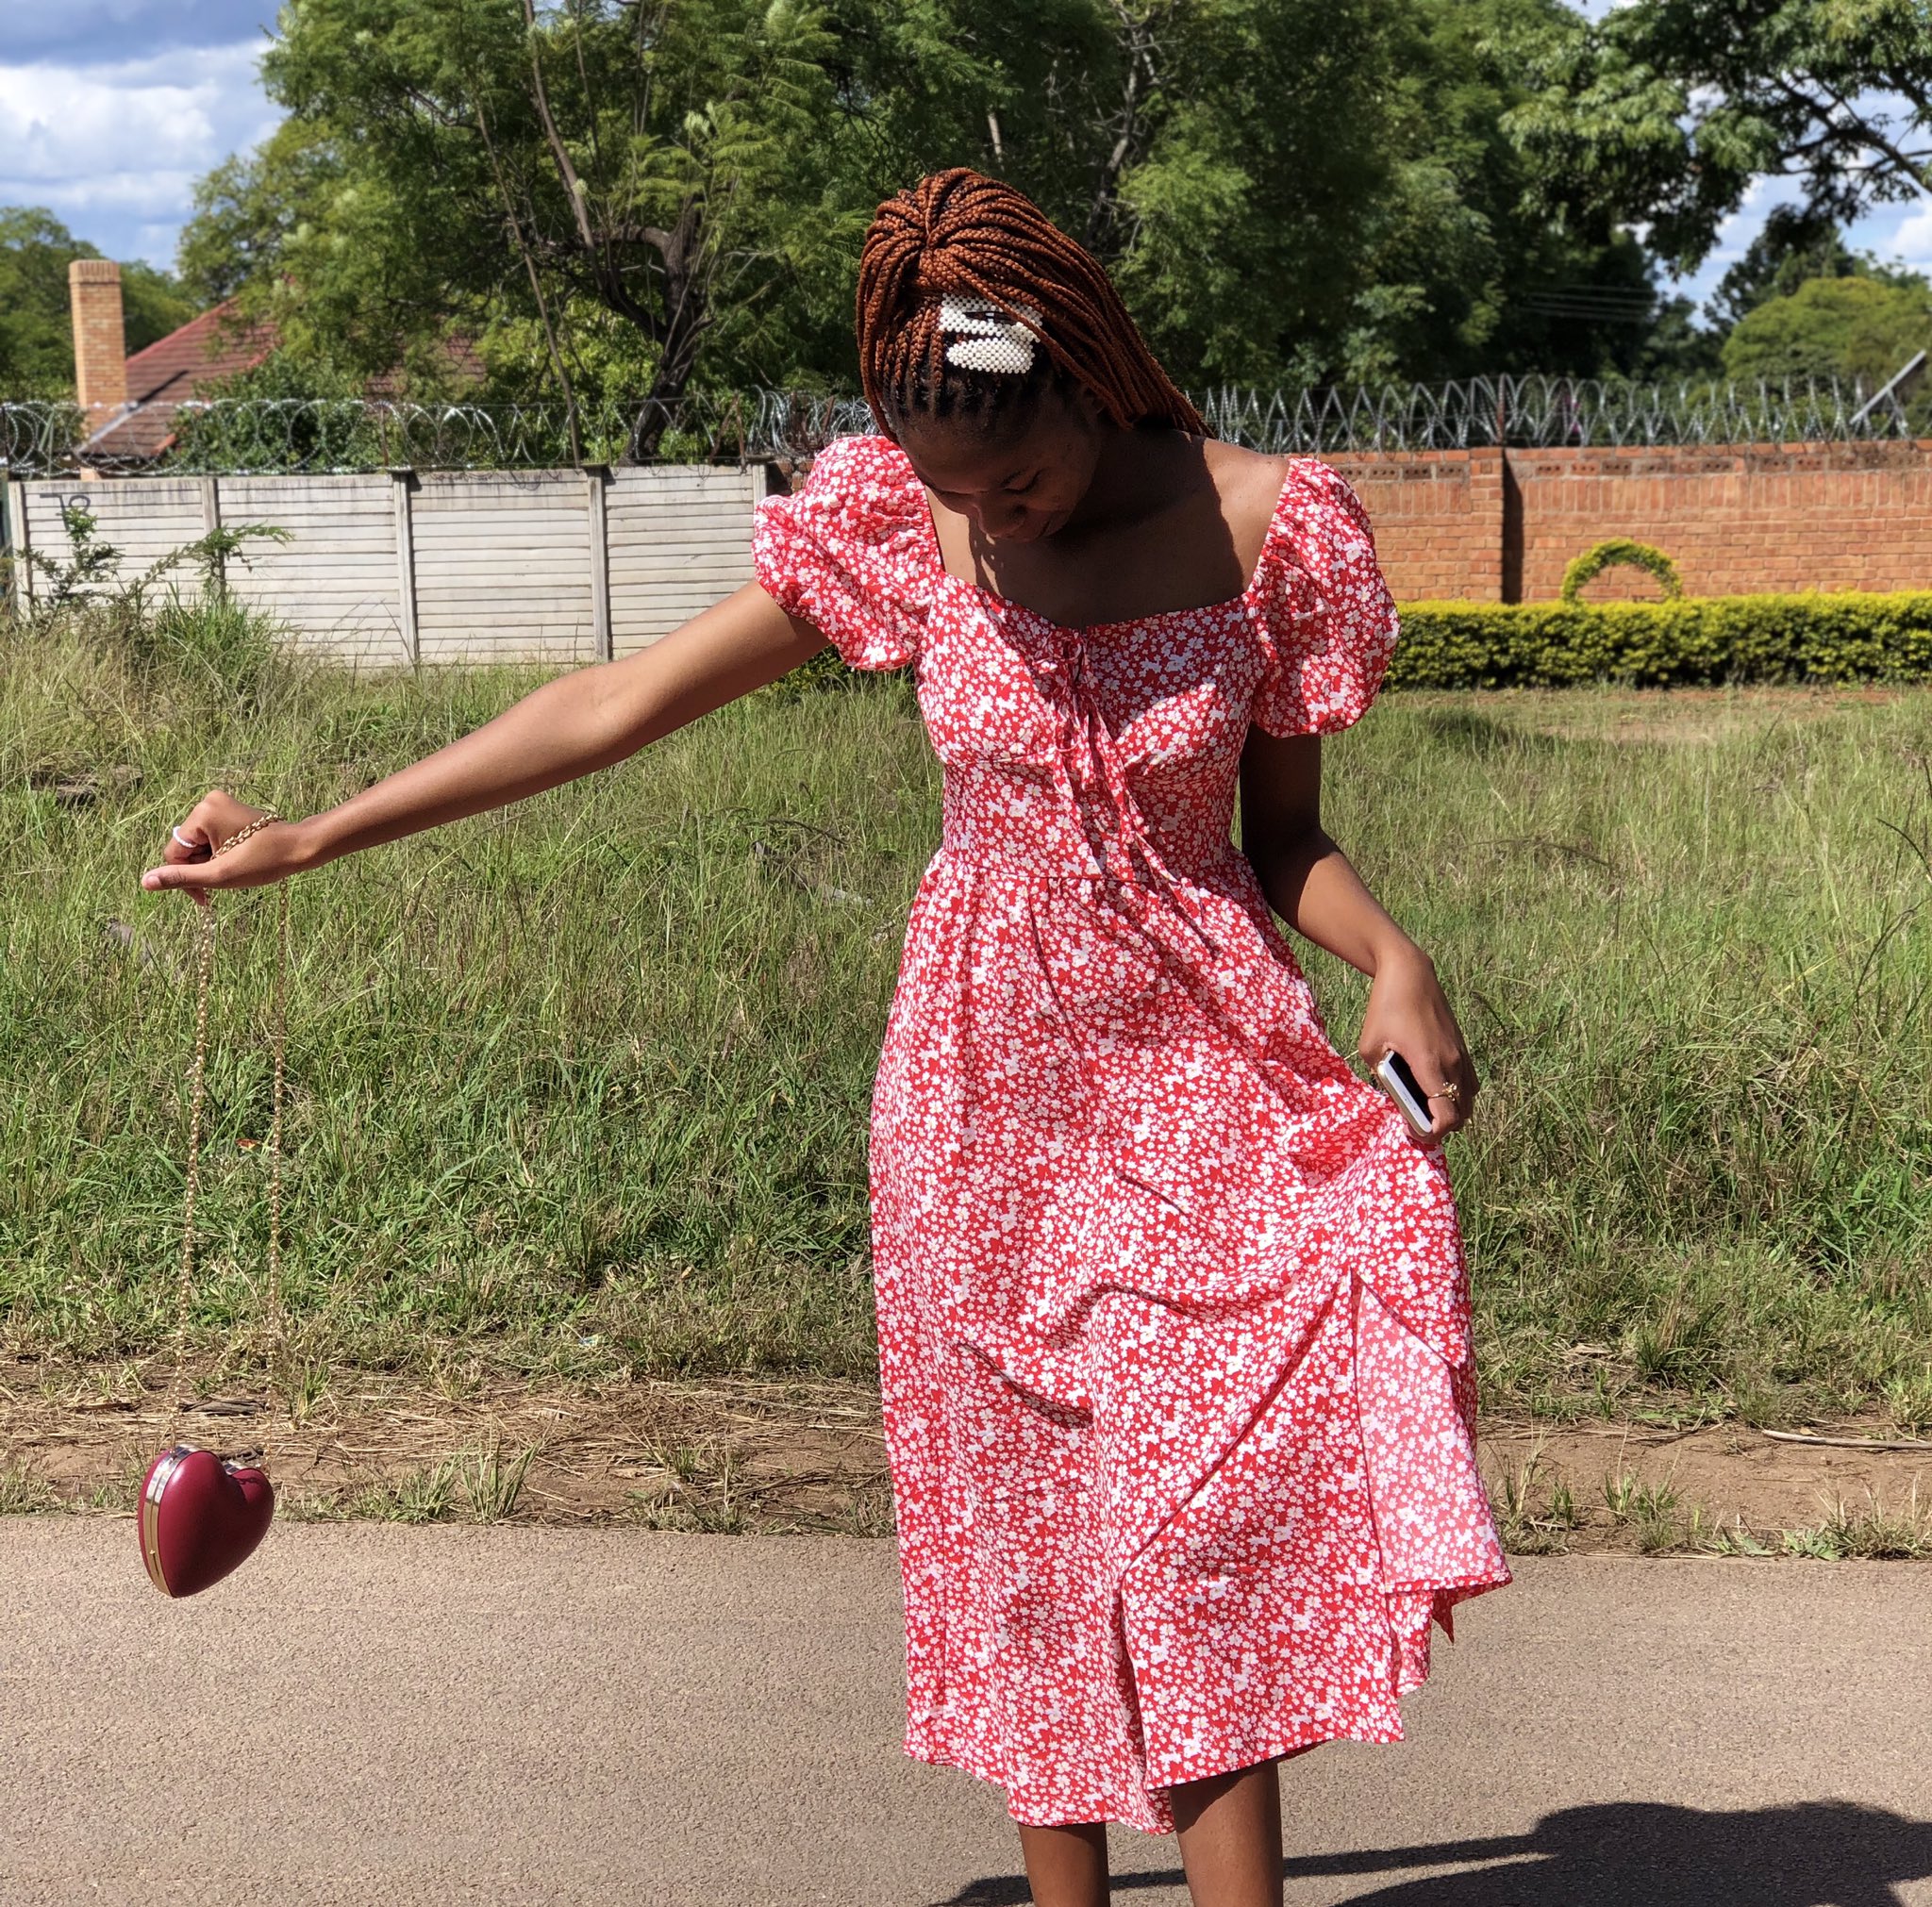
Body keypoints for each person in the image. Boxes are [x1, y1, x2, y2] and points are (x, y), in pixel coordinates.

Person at [143, 167, 1510, 1907]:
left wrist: (1394, 957)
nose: (988, 518)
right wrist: (311, 835)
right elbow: (610, 705)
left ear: (1090, 373)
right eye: (955, 490)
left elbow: (1278, 840)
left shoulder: (1274, 534)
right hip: (978, 1102)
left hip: (1203, 1085)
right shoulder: (897, 517)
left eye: (1014, 472)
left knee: (1198, 1534)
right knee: (1026, 1542)